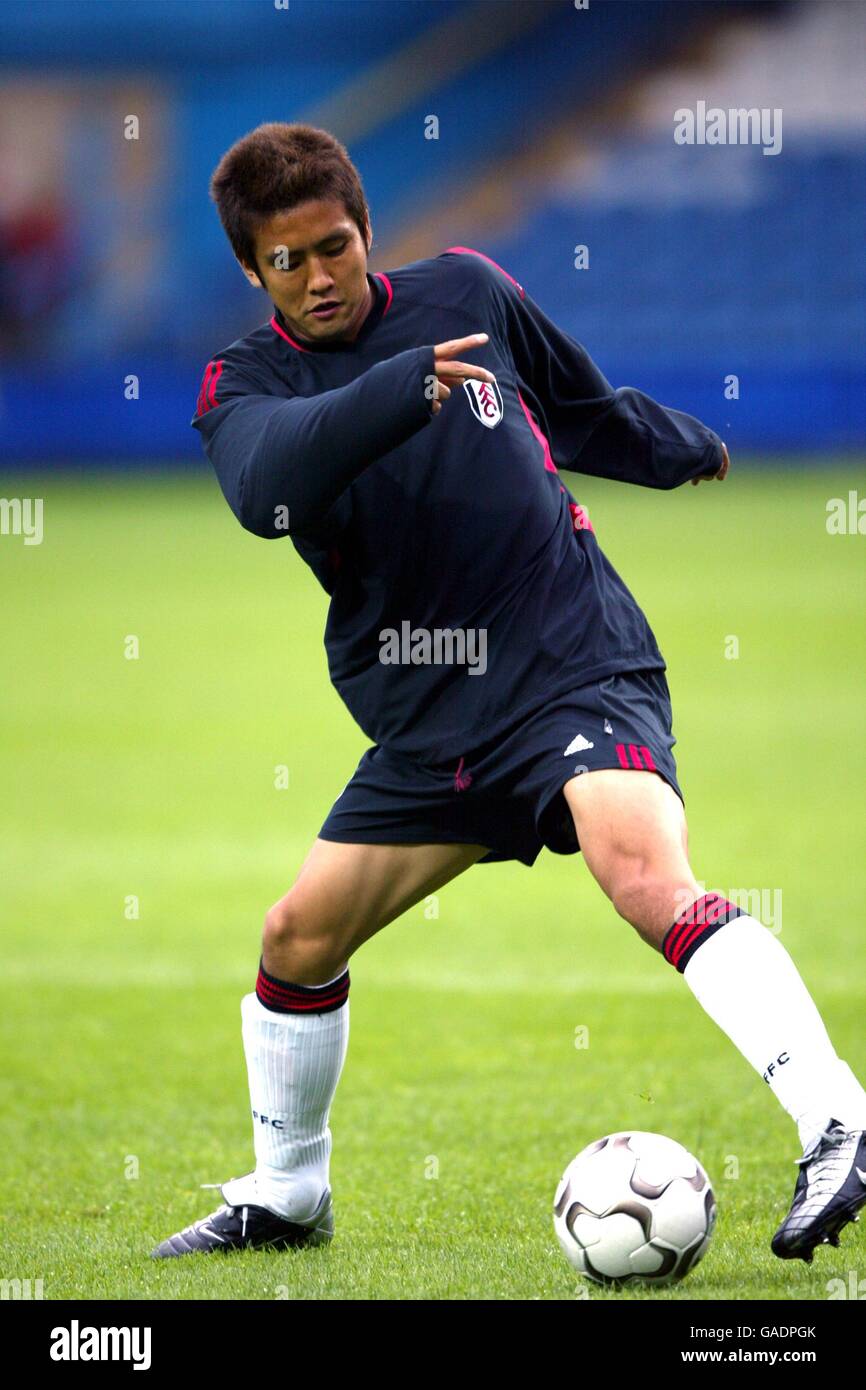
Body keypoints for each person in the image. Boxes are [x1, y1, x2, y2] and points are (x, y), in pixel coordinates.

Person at [153, 123, 866, 1264]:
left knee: (641, 876)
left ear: (364, 230)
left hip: (566, 655)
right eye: (285, 261)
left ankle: (833, 1114)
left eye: (331, 246)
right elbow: (265, 489)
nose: (317, 275)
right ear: (252, 272)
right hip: (430, 712)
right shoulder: (246, 383)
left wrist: (674, 445)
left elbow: (578, 413)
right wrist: (397, 390)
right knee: (297, 936)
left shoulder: (467, 291)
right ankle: (286, 1195)